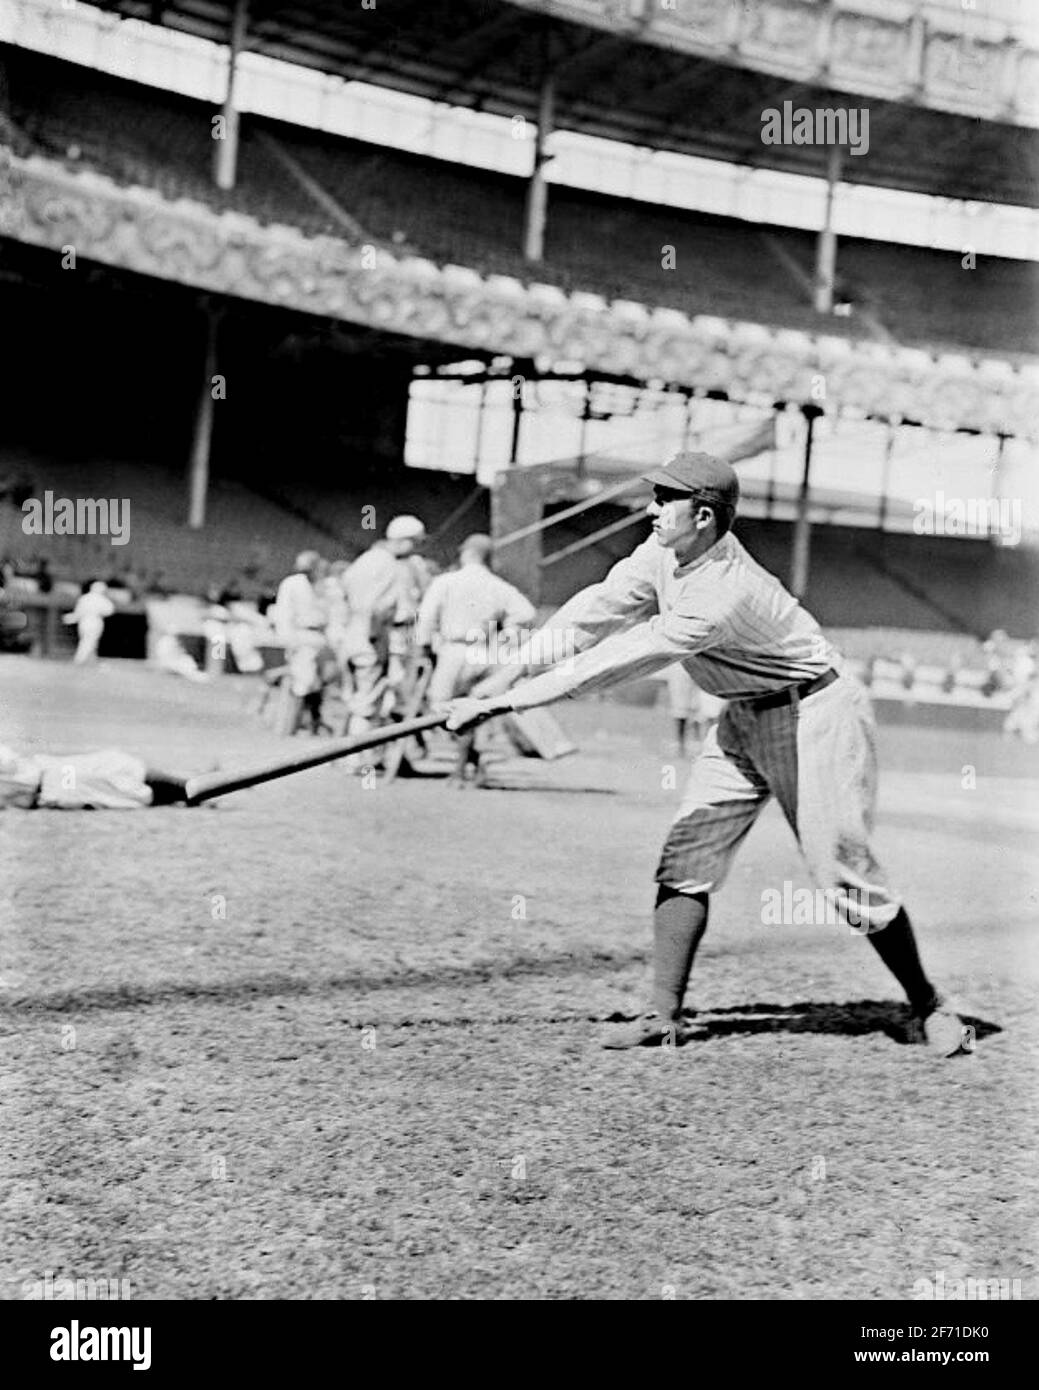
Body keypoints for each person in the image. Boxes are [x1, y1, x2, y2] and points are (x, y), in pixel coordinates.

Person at [446, 451, 968, 1055]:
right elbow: (595, 613)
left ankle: (929, 1003)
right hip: (744, 715)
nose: (651, 509)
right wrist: (505, 674)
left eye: (664, 500)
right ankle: (663, 1015)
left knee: (843, 878)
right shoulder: (662, 552)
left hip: (817, 717)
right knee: (685, 855)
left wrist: (505, 703)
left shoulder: (721, 594)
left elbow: (612, 660)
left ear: (701, 516)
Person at [417, 533, 536, 784]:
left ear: (466, 553)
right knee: (472, 708)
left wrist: (424, 647)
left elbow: (426, 616)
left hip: (453, 649)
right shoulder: (498, 585)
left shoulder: (446, 581)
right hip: (484, 650)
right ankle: (469, 760)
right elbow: (526, 612)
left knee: (440, 708)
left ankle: (461, 767)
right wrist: (506, 633)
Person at [340, 516, 429, 741]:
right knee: (369, 702)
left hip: (353, 632)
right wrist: (377, 643)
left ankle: (364, 757)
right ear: (403, 540)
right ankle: (358, 761)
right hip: (374, 635)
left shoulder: (365, 559)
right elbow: (378, 610)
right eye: (414, 543)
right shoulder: (388, 564)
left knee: (362, 697)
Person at [273, 551, 333, 728]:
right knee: (303, 680)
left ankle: (314, 718)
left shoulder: (324, 585)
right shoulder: (292, 584)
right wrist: (288, 640)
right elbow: (283, 613)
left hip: (322, 636)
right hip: (300, 635)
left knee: (326, 678)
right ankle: (293, 722)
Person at [63, 580, 114, 664]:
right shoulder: (101, 599)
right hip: (94, 621)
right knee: (88, 642)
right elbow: (110, 610)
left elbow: (78, 612)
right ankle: (79, 660)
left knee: (89, 642)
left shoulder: (84, 598)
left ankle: (90, 661)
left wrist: (72, 618)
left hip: (84, 622)